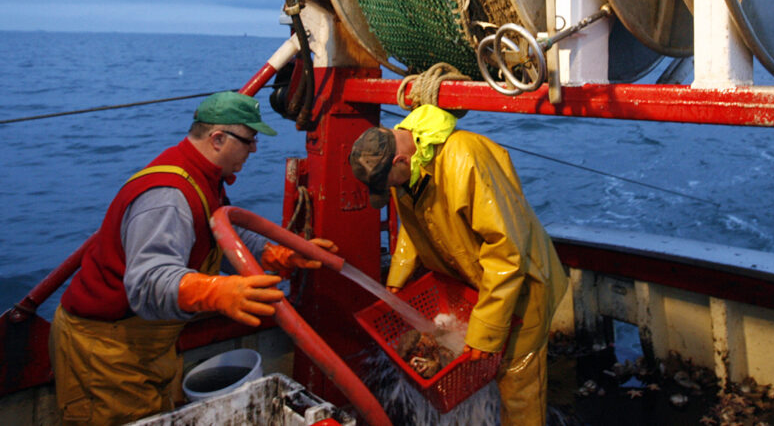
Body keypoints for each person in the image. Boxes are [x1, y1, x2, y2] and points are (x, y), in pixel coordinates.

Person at [49, 91, 336, 425]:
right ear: (218, 138)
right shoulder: (168, 196)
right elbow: (147, 283)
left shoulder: (201, 178)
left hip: (146, 343)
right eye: (249, 140)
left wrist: (274, 254)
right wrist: (217, 292)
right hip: (104, 350)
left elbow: (218, 232)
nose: (254, 149)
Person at [349, 104, 568, 425]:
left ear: (400, 161)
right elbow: (415, 221)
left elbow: (507, 250)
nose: (392, 190)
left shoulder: (465, 159)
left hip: (523, 284)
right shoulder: (410, 166)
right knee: (485, 368)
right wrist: (397, 279)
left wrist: (486, 328)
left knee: (518, 385)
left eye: (391, 184)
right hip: (475, 281)